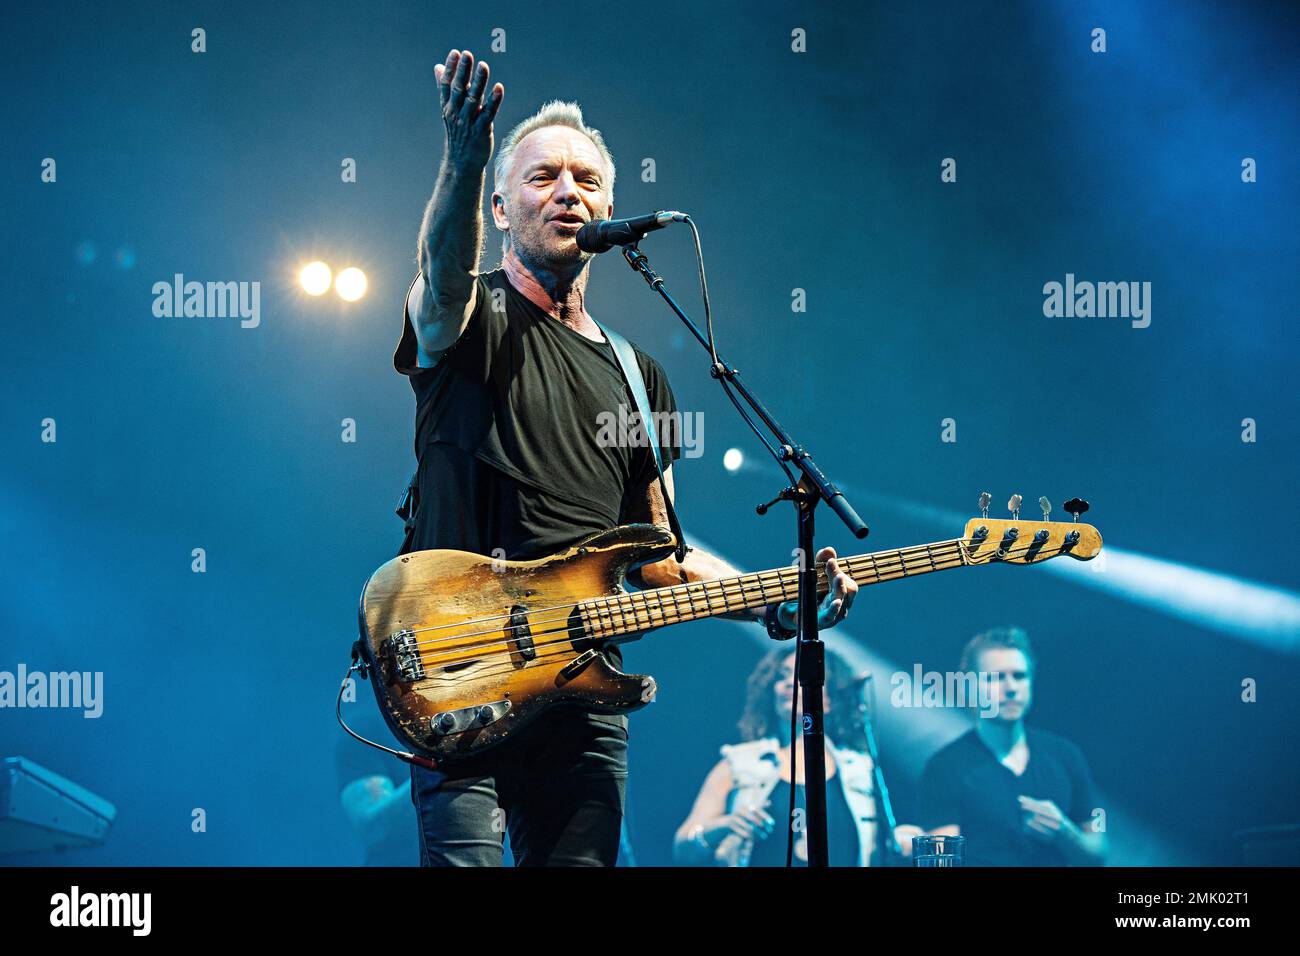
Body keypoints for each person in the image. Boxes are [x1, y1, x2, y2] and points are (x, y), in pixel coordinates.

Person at [393, 48, 860, 866]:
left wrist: (780, 602)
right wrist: (463, 161)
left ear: (608, 206)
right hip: (459, 665)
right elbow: (435, 281)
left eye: (585, 179)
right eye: (542, 178)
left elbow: (661, 556)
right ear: (499, 207)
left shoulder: (639, 377)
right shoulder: (472, 318)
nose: (568, 191)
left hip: (582, 697)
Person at [674, 648, 921, 866]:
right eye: (781, 676)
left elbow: (890, 840)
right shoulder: (737, 764)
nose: (787, 684)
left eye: (801, 677)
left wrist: (906, 837)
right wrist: (724, 825)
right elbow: (682, 849)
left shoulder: (861, 767)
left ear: (831, 699)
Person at [919, 627, 1107, 866]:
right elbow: (943, 861)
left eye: (1019, 676)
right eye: (995, 677)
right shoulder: (945, 767)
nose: (1010, 687)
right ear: (969, 686)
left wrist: (1065, 831)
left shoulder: (1066, 755)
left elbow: (1099, 850)